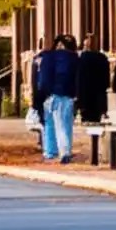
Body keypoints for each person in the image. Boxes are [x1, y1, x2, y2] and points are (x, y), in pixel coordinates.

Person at [36, 34, 81, 163]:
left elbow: (43, 78)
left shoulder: (48, 57)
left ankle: (50, 152)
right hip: (66, 95)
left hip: (50, 96)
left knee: (49, 125)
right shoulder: (75, 59)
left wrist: (44, 92)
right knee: (64, 125)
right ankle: (65, 152)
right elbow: (78, 79)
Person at [76, 34, 110, 124]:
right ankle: (95, 137)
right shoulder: (102, 58)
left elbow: (78, 78)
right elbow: (106, 80)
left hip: (85, 95)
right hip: (98, 95)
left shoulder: (81, 58)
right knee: (96, 120)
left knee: (85, 120)